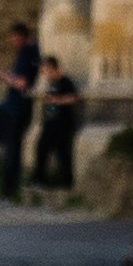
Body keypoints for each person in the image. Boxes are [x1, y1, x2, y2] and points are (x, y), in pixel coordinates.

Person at [0, 27, 38, 204]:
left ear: (21, 37)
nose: (11, 41)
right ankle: (4, 189)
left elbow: (22, 84)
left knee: (12, 151)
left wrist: (3, 76)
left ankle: (7, 194)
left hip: (16, 111)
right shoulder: (26, 53)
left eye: (13, 38)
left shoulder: (27, 54)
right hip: (10, 108)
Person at [33, 52, 86, 194]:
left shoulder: (65, 81)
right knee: (41, 149)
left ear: (51, 68)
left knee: (63, 153)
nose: (43, 72)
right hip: (50, 123)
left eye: (44, 69)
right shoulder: (52, 83)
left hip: (62, 124)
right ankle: (39, 180)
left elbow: (72, 98)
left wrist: (56, 101)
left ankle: (67, 184)